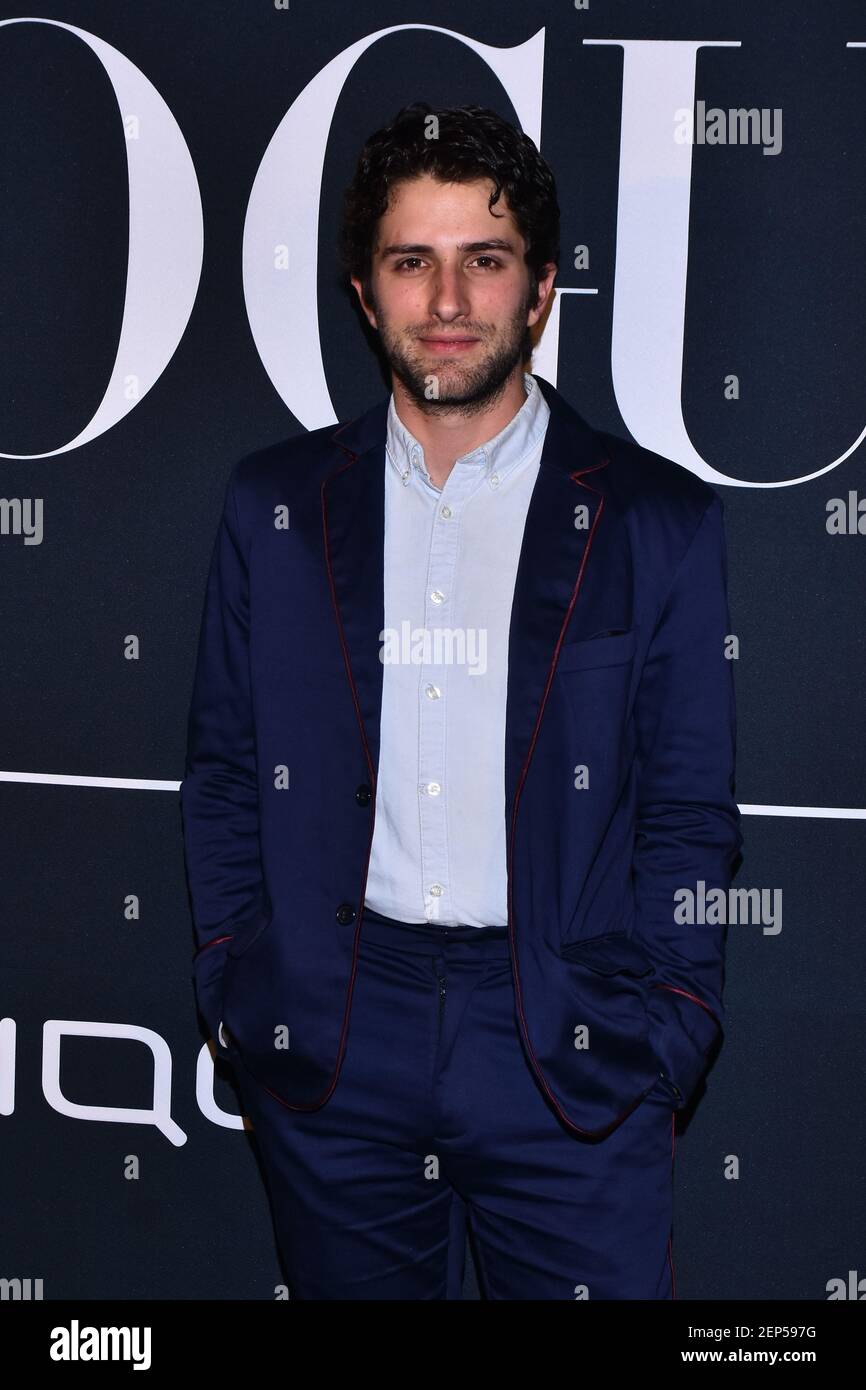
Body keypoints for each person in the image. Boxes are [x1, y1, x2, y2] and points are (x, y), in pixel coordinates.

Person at [180, 102, 743, 1300]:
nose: (445, 300)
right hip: (337, 1036)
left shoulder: (656, 523)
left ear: (538, 289)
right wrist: (239, 978)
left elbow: (688, 810)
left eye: (481, 261)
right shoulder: (273, 509)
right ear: (363, 289)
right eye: (410, 262)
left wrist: (670, 1020)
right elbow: (226, 767)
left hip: (567, 1048)